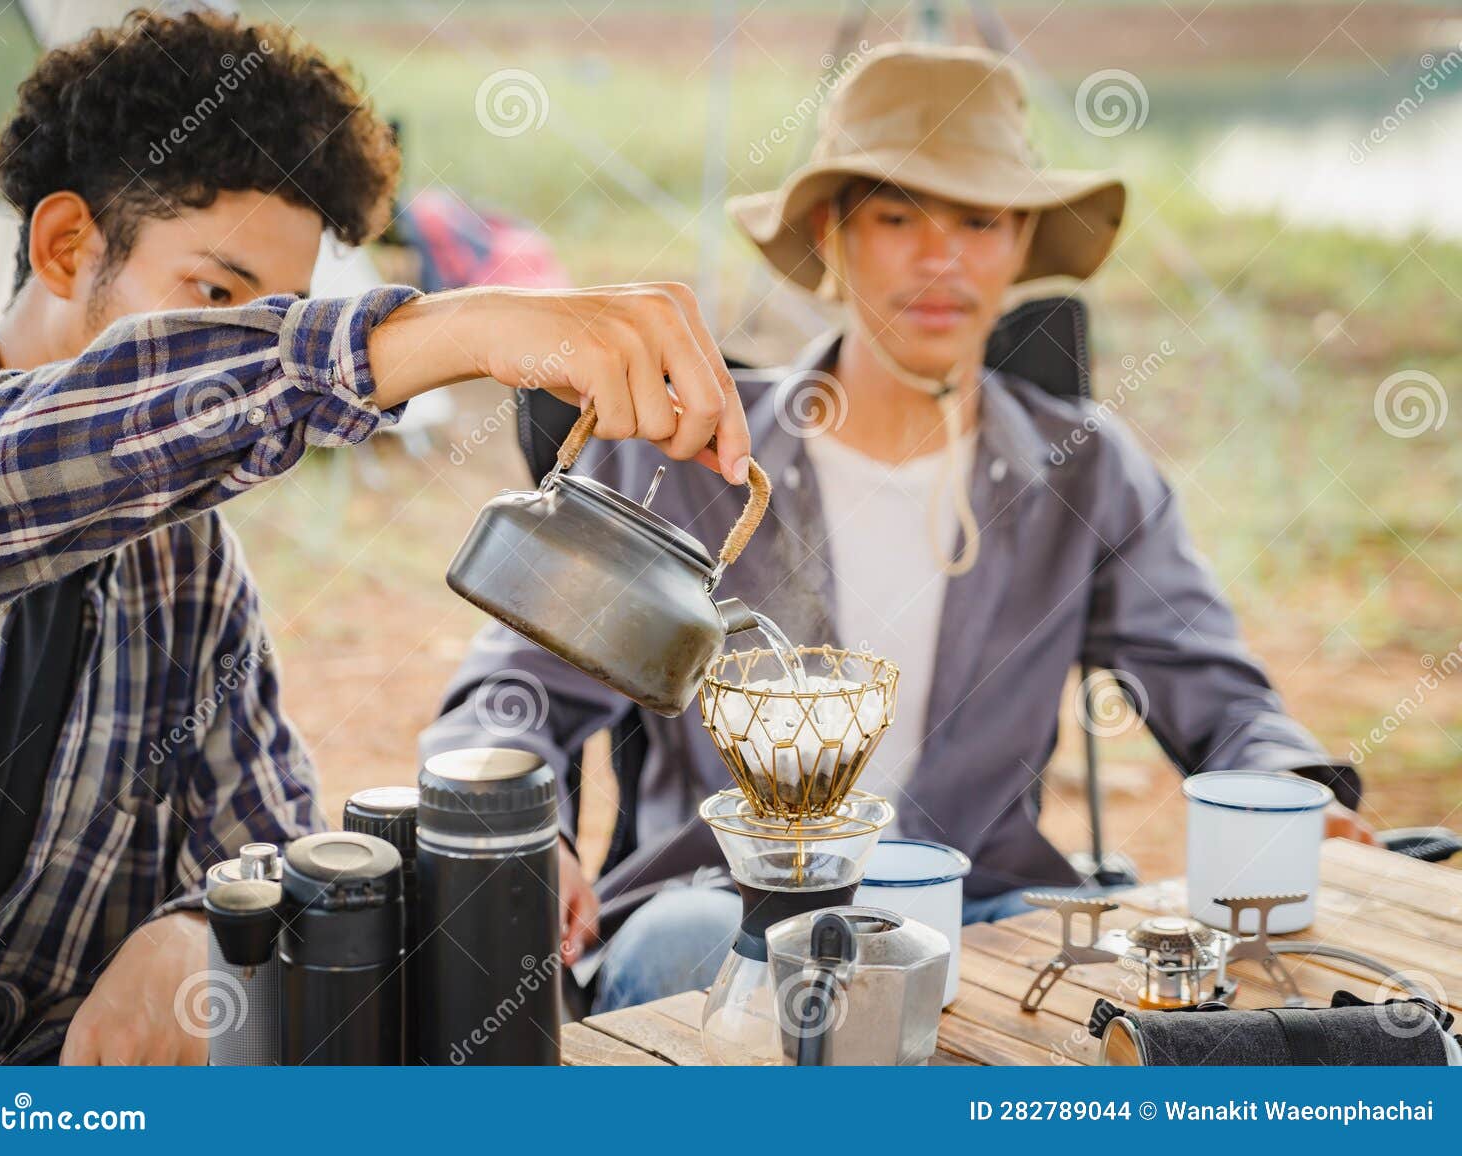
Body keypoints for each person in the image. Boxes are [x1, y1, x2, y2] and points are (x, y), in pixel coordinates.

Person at [0, 9, 749, 1064]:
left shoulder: (189, 573)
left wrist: (198, 925)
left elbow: (272, 844)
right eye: (216, 298)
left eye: (276, 313)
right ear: (65, 246)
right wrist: (449, 333)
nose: (243, 344)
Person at [422, 43, 1375, 1013]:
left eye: (979, 220)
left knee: (1117, 991)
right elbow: (511, 696)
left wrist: (1294, 791)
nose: (940, 258)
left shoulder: (1084, 469)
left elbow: (1215, 690)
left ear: (1020, 244)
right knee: (710, 949)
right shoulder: (677, 455)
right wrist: (518, 829)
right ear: (832, 234)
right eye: (895, 216)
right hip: (725, 910)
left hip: (981, 912)